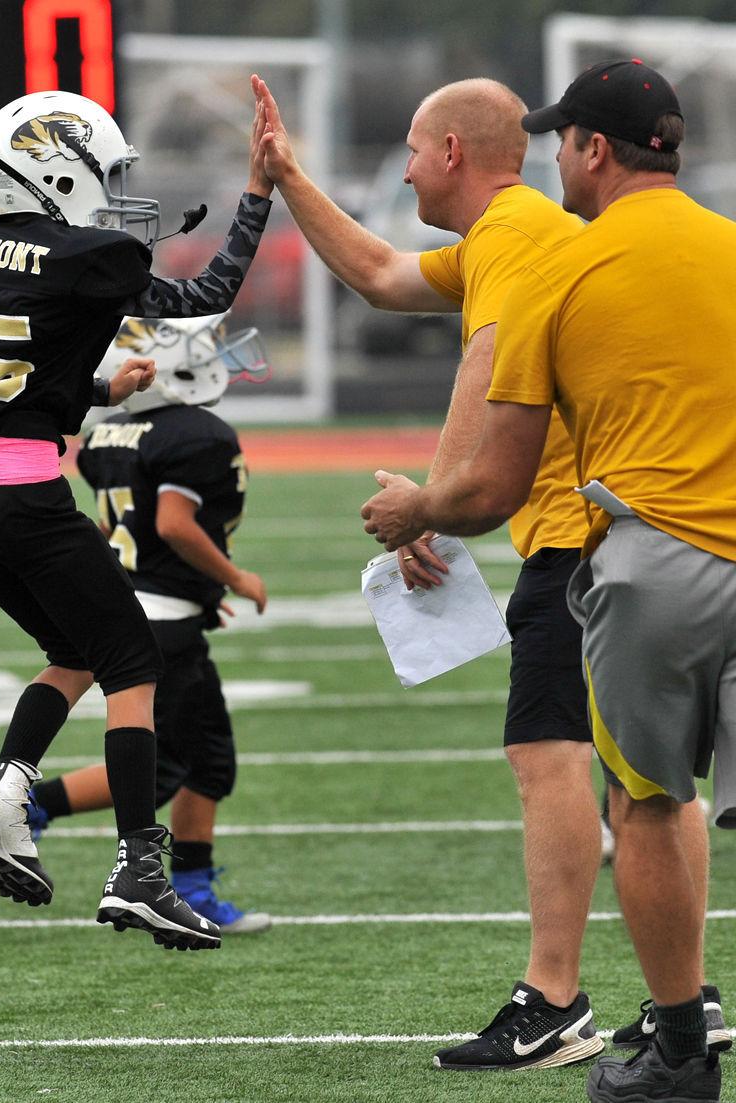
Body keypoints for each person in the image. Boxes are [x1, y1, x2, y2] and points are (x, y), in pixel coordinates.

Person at [361, 58, 735, 1102]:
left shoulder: (556, 270)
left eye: (563, 137)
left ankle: (678, 1051)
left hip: (652, 564)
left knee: (651, 799)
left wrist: (413, 511)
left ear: (594, 150)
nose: (551, 154)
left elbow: (491, 484)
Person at [254, 72, 617, 1069]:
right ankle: (687, 1000)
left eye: (414, 150)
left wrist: (432, 508)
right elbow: (376, 271)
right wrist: (289, 176)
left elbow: (487, 361)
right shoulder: (519, 233)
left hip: (582, 535)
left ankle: (553, 997)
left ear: (452, 153)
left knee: (550, 756)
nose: (407, 167)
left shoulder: (512, 234)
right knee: (640, 782)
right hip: (618, 526)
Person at [0, 89, 273, 951]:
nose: (109, 193)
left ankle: (4, 793)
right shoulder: (88, 256)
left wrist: (98, 387)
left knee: (75, 650)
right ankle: (141, 870)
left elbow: (15, 363)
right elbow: (204, 294)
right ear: (50, 168)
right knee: (133, 661)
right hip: (28, 497)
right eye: (98, 172)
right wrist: (259, 193)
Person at [0, 313, 272, 935]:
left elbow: (112, 531)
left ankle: (185, 880)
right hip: (164, 619)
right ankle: (31, 809)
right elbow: (174, 525)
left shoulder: (110, 436)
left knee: (203, 762)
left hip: (141, 599)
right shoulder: (199, 433)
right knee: (178, 767)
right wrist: (234, 578)